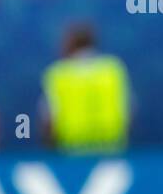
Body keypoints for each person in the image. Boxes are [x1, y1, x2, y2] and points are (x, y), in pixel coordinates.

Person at [40, 23, 132, 154]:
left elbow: (49, 120)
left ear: (69, 44)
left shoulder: (57, 74)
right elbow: (128, 110)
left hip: (71, 152)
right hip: (112, 150)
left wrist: (51, 153)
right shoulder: (113, 69)